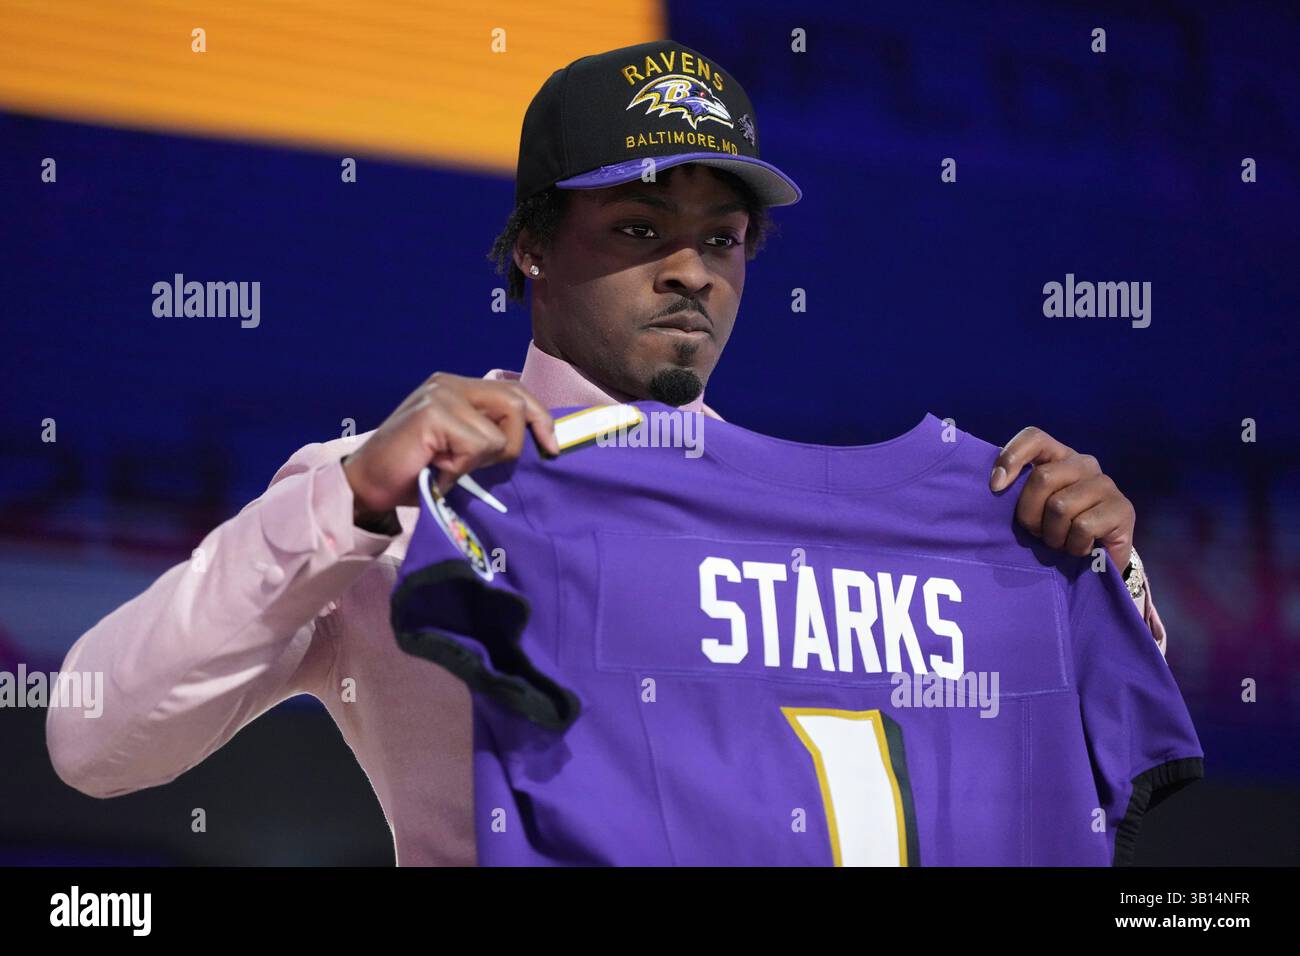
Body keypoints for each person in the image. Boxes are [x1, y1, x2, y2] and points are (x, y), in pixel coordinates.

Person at [46, 40, 1166, 865]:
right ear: (531, 245)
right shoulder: (409, 497)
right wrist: (352, 498)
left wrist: (1087, 567)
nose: (689, 269)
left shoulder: (902, 526)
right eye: (638, 229)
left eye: (719, 238)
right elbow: (92, 738)